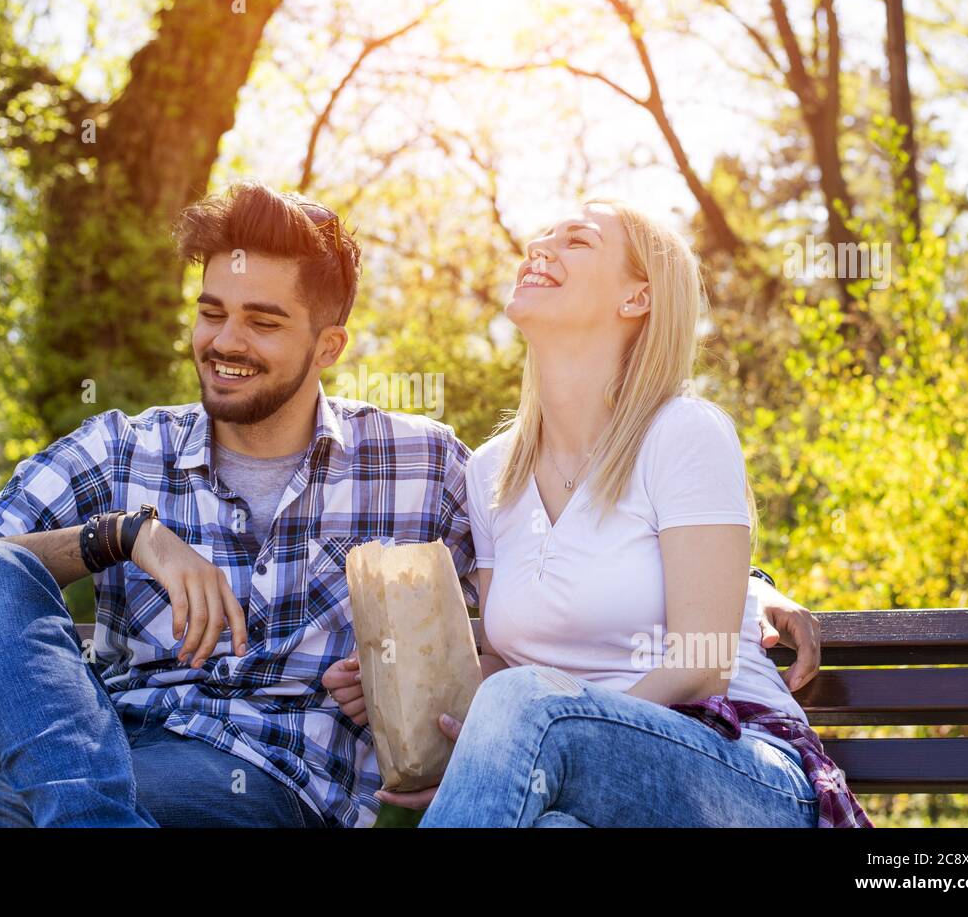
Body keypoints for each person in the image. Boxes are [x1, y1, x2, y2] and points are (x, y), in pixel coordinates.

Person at [0, 180, 823, 827]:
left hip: (257, 780)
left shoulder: (423, 464)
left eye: (263, 321)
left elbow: (649, 578)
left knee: (12, 821)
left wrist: (750, 591)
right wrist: (121, 537)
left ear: (329, 344)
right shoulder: (126, 448)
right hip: (96, 750)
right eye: (212, 311)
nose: (225, 341)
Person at [326, 199, 870, 827]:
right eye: (544, 232)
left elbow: (703, 664)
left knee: (529, 706)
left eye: (578, 241)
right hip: (584, 782)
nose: (541, 245)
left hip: (737, 768)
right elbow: (512, 661)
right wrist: (401, 679)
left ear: (637, 298)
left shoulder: (683, 433)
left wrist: (551, 732)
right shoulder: (491, 472)